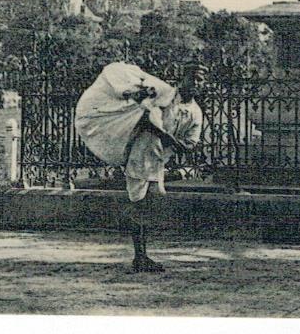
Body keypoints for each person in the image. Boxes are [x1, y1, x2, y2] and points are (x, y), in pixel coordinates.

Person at [74, 62, 203, 273]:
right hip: (141, 155)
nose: (196, 84)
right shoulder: (165, 95)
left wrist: (176, 144)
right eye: (193, 78)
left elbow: (191, 142)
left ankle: (138, 247)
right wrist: (168, 138)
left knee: (149, 203)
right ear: (183, 79)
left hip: (158, 160)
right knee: (148, 201)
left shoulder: (195, 112)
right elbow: (146, 120)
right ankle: (139, 255)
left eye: (200, 80)